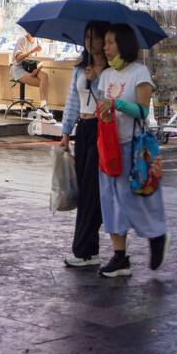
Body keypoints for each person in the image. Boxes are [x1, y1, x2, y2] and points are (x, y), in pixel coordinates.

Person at [96, 24, 168, 279]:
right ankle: (119, 256)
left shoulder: (140, 73)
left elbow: (142, 112)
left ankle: (156, 234)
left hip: (133, 147)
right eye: (104, 43)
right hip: (109, 148)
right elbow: (105, 106)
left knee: (137, 198)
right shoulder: (105, 76)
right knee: (111, 199)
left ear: (124, 44)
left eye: (110, 42)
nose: (105, 47)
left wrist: (116, 104)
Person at [59, 21, 108, 267]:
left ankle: (82, 250)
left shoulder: (110, 71)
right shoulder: (80, 69)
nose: (91, 41)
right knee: (85, 189)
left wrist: (98, 78)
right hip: (84, 128)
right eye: (87, 36)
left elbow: (110, 100)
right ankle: (90, 249)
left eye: (96, 36)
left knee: (92, 189)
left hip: (103, 130)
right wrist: (66, 132)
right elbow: (72, 101)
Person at [10, 29, 50, 107]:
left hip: (32, 68)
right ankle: (44, 107)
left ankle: (43, 107)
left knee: (45, 77)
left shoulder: (38, 41)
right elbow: (18, 58)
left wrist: (37, 69)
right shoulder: (22, 40)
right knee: (42, 83)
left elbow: (42, 60)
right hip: (19, 69)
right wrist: (32, 51)